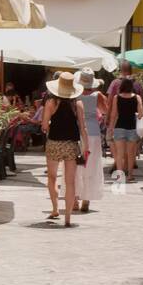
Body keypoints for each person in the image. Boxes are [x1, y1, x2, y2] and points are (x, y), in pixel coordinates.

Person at [42, 71, 90, 228]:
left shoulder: (50, 103)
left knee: (52, 178)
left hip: (54, 143)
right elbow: (83, 128)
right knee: (70, 182)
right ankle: (68, 217)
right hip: (71, 144)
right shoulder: (78, 104)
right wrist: (86, 147)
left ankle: (55, 208)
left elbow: (44, 126)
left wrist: (51, 127)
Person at [74, 68, 107, 212]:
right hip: (93, 132)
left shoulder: (74, 94)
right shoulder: (97, 95)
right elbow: (105, 110)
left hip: (77, 131)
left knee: (74, 165)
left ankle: (74, 198)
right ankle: (86, 199)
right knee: (91, 164)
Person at [106, 76, 143, 183]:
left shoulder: (116, 98)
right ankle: (130, 175)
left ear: (121, 86)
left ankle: (119, 176)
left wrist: (111, 128)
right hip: (132, 127)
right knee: (131, 153)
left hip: (119, 127)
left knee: (119, 154)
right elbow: (141, 113)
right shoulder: (137, 97)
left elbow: (114, 114)